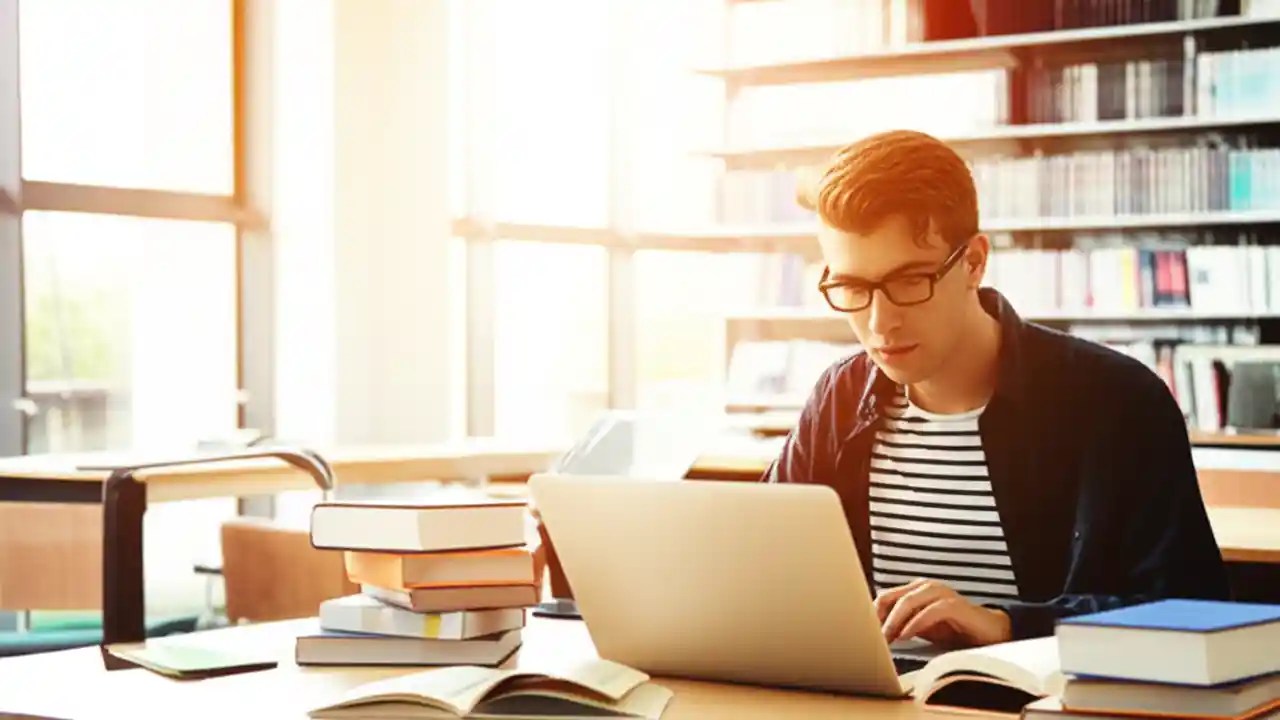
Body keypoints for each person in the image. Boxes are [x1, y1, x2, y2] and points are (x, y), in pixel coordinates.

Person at [767, 129, 1229, 648]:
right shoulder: (839, 397)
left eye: (909, 282)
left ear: (974, 263)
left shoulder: (1118, 401)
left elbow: (1190, 612)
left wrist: (1009, 624)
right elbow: (761, 567)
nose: (880, 323)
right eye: (852, 287)